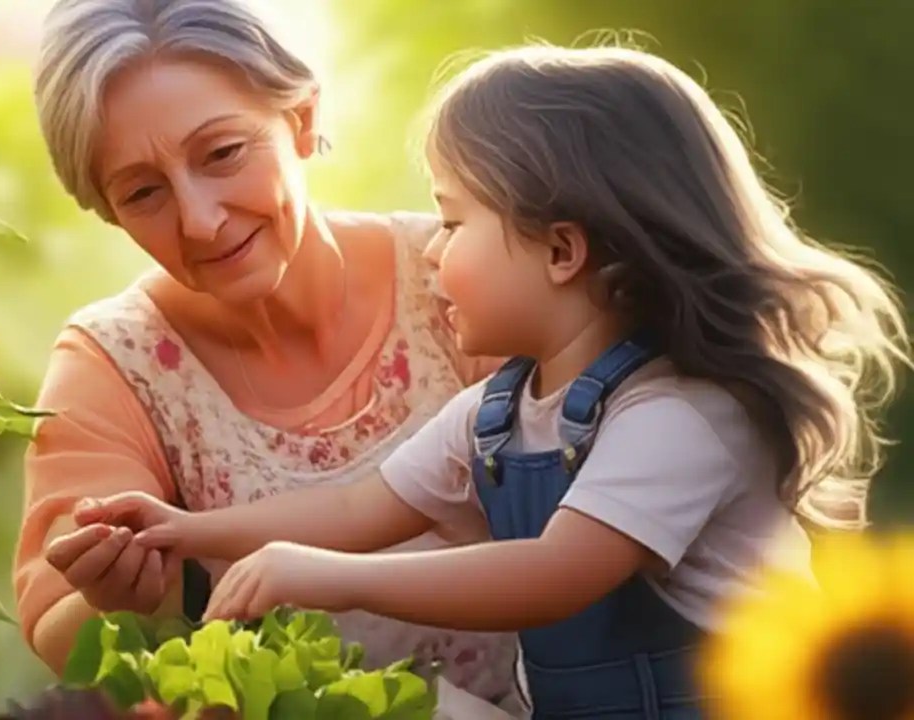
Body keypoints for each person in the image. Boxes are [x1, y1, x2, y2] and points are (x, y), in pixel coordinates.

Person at [73, 44, 911, 719]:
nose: (431, 250)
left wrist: (329, 575)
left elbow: (555, 574)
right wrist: (187, 530)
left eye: (452, 220)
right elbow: (360, 508)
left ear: (561, 250)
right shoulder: (501, 412)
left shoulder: (681, 415)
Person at [12, 0, 522, 712]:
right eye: (144, 192)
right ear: (107, 209)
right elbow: (58, 628)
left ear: (301, 119)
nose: (200, 221)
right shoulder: (114, 361)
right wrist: (120, 600)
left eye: (222, 153)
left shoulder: (457, 277)